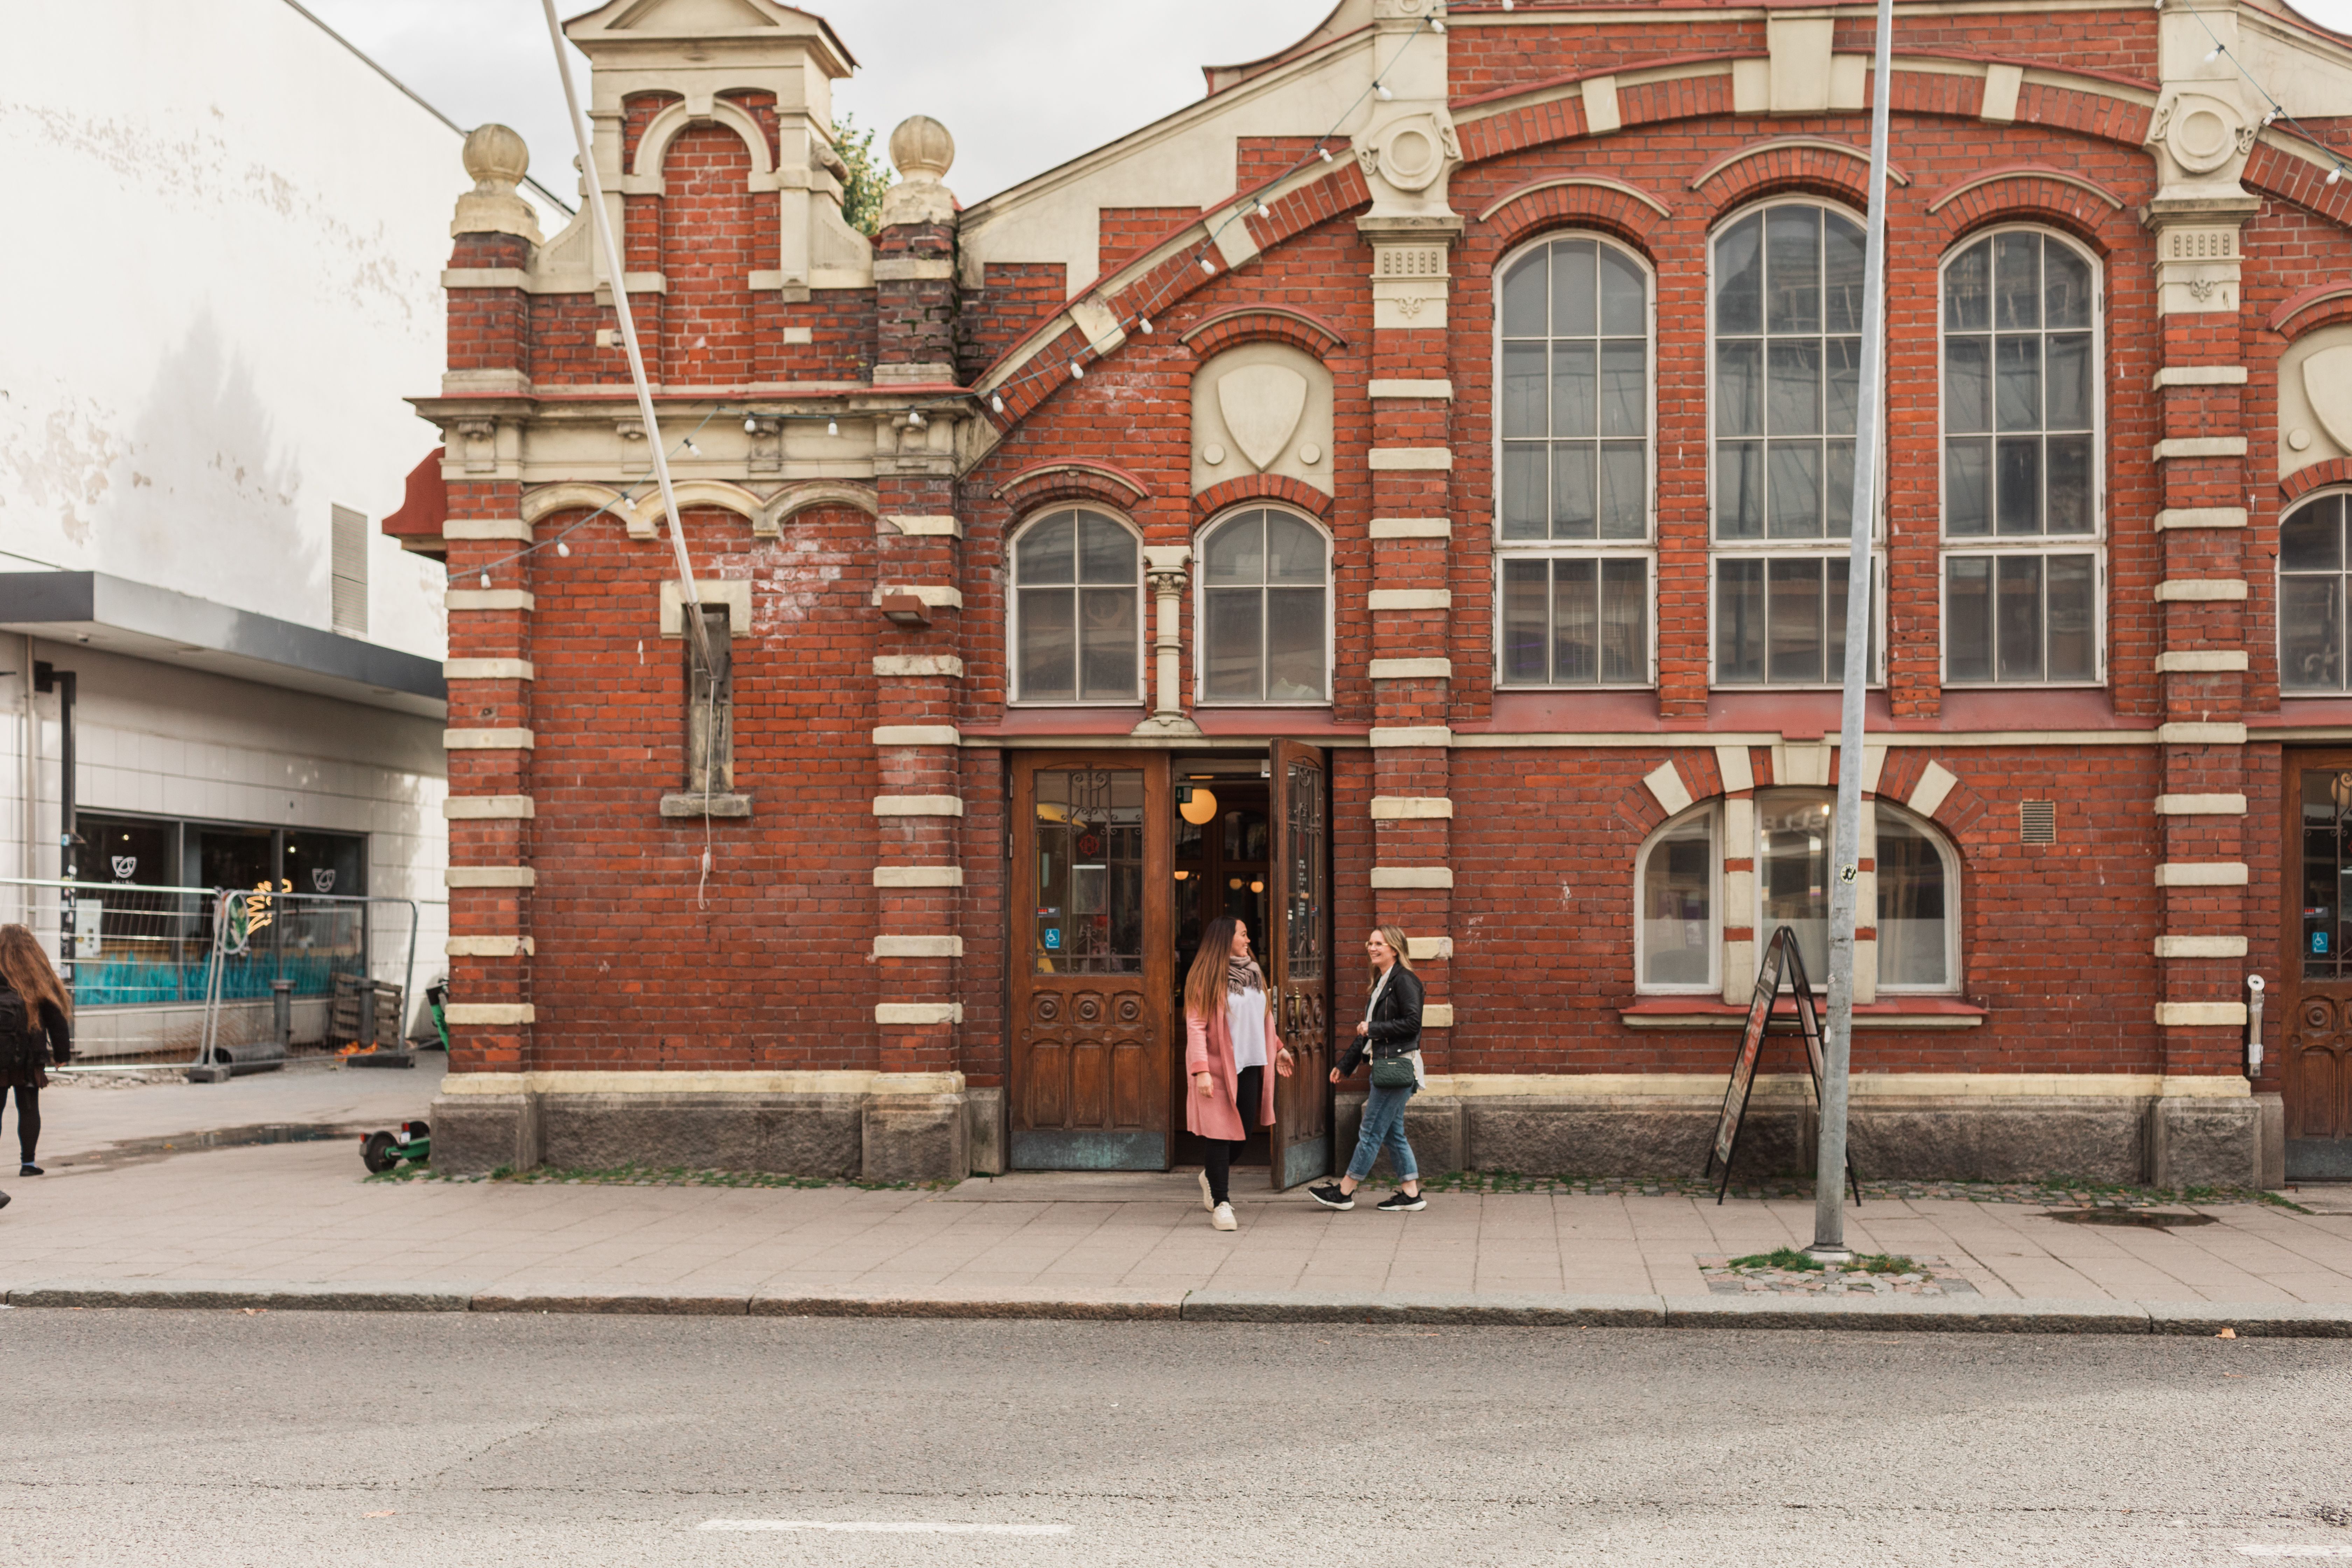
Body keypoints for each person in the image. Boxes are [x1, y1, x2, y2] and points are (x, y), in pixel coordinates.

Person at [1182, 916, 1292, 1232]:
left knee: (1242, 1135)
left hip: (1251, 1064)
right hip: (1217, 1070)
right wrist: (1201, 1070)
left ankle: (1210, 1176)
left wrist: (1278, 1047)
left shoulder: (1254, 972)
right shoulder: (1206, 977)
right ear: (1225, 939)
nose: (1248, 940)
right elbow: (1196, 1026)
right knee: (1220, 1135)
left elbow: (1262, 1019)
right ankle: (1222, 1204)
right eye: (1243, 935)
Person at [1310, 925, 1425, 1213]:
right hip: (1388, 1065)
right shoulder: (1382, 983)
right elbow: (1367, 1035)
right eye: (1370, 943)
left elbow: (1413, 1024)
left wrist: (1374, 1027)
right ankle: (1411, 1194)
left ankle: (1345, 1191)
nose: (1372, 948)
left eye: (1379, 944)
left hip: (1396, 1068)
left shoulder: (1404, 981)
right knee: (1392, 1132)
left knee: (1371, 1130)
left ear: (1394, 949)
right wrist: (1345, 1065)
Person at [0, 922, 73, 1185]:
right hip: (31, 1056)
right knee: (29, 1107)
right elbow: (56, 1018)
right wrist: (62, 1053)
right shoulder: (37, 975)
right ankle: (28, 1163)